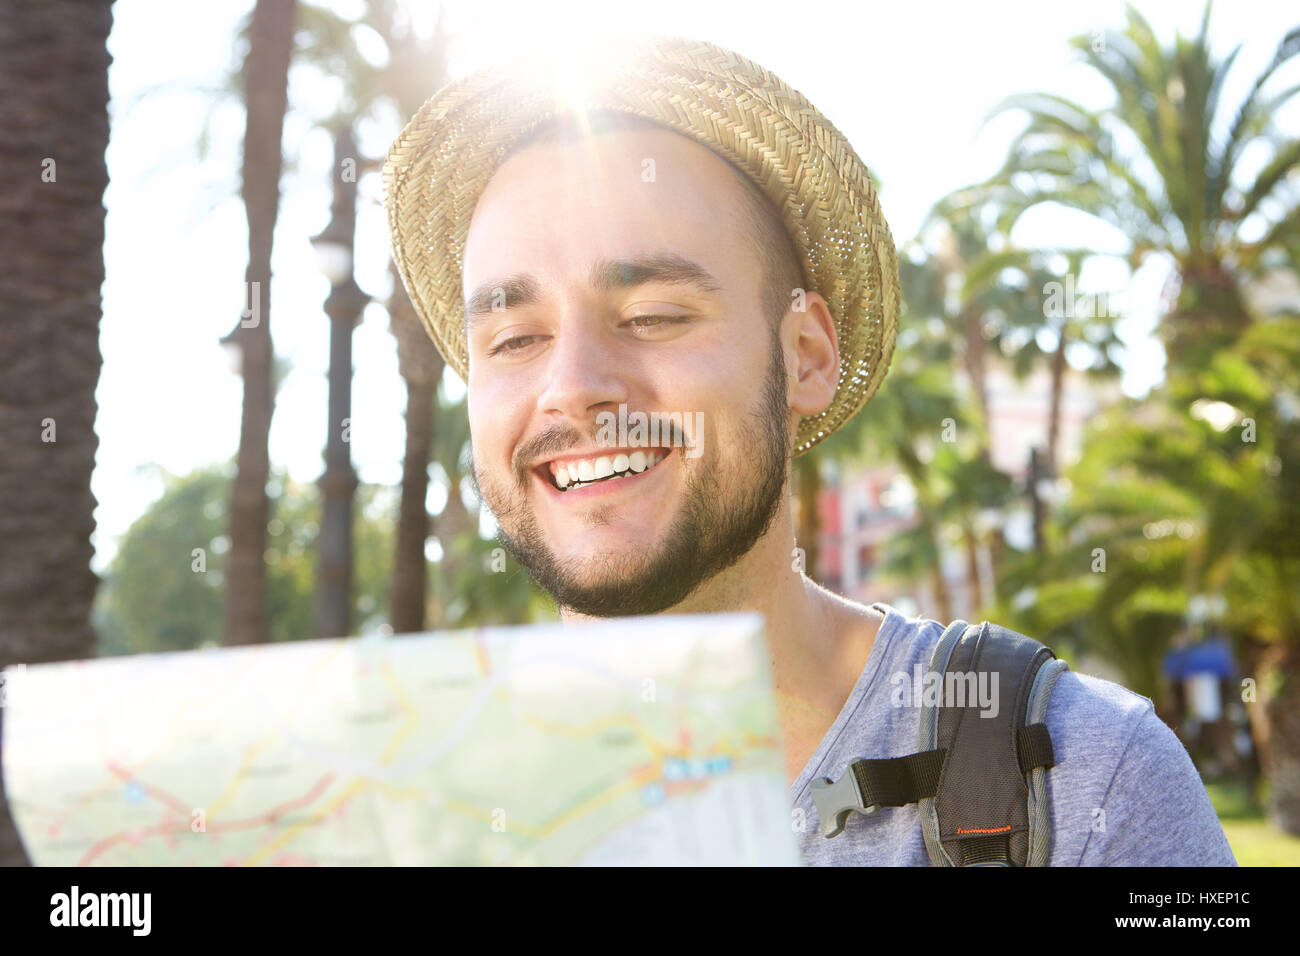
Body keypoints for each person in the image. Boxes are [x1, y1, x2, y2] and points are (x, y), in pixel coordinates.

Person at [383, 35, 1235, 865]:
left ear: (806, 357)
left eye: (652, 316)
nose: (570, 386)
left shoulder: (1086, 786)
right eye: (514, 338)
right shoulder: (396, 806)